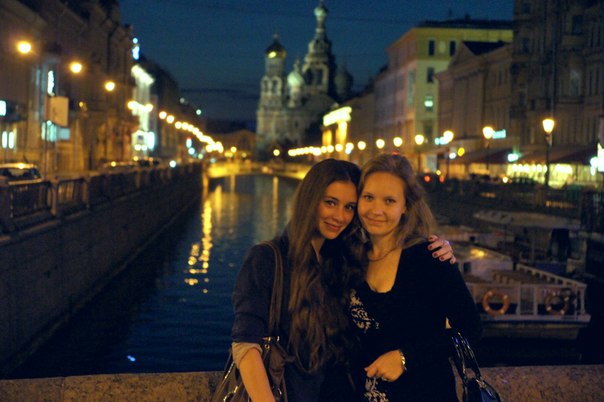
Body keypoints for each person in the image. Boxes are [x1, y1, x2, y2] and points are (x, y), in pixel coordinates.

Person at [230, 158, 455, 402]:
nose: (339, 216)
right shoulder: (268, 258)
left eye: (349, 207)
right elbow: (245, 344)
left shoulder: (346, 258)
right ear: (310, 199)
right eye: (330, 203)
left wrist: (435, 251)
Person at [348, 153, 482, 402]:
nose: (376, 210)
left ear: (406, 206)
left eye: (389, 201)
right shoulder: (352, 260)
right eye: (368, 197)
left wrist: (405, 357)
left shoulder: (429, 257)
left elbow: (470, 328)